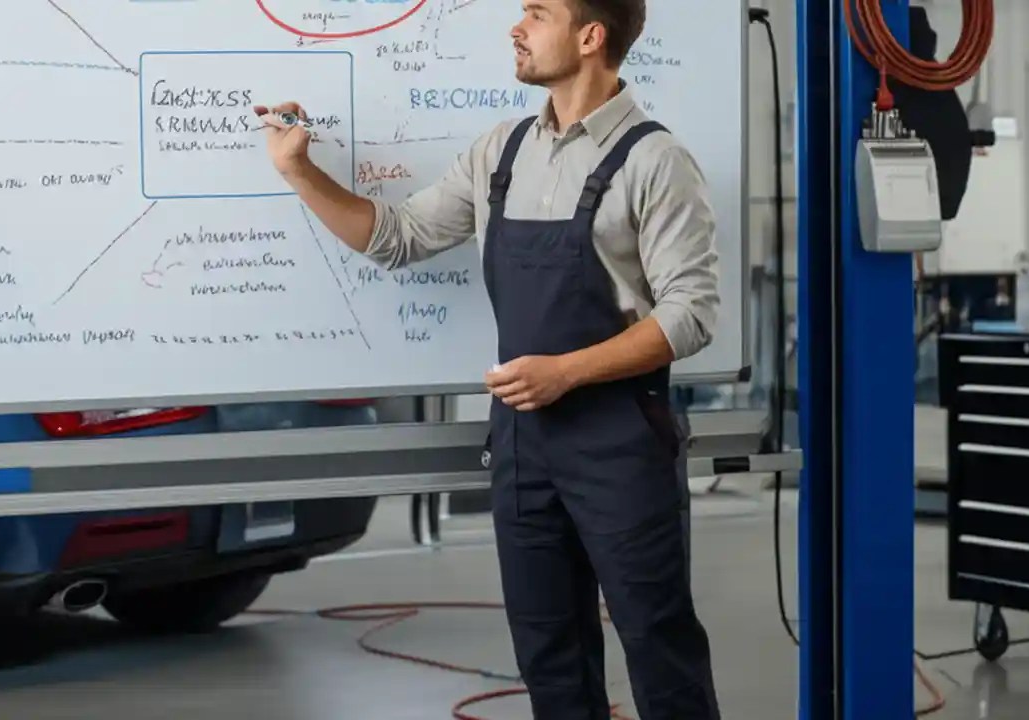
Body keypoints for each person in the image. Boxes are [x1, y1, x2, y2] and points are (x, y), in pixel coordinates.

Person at [256, 1, 721, 717]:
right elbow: (398, 237)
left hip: (621, 443)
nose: (516, 26)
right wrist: (299, 171)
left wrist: (565, 371)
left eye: (537, 13)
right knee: (549, 653)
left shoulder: (657, 161)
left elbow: (689, 315)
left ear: (591, 36)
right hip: (522, 444)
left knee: (659, 648)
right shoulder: (500, 153)